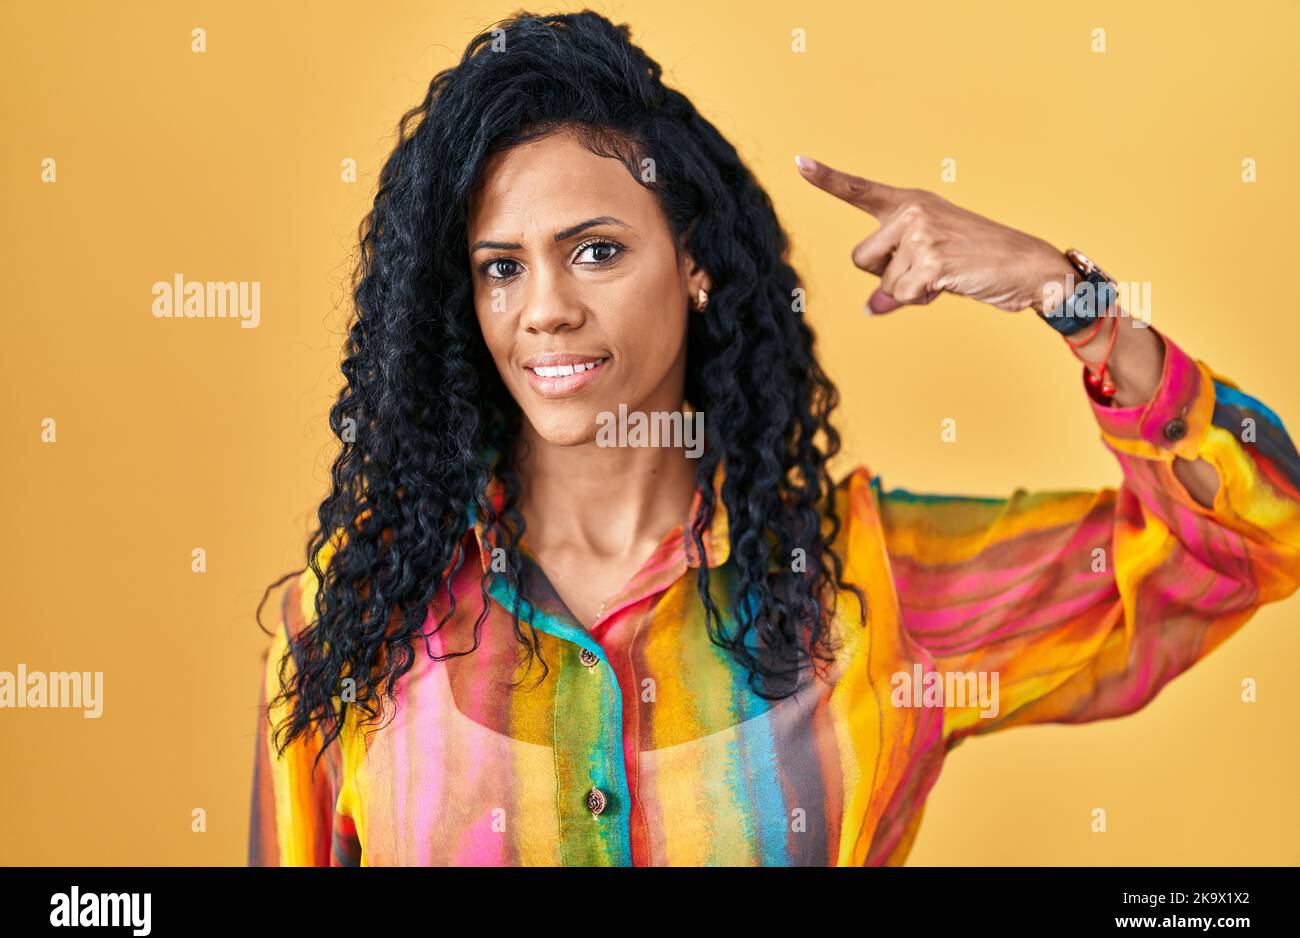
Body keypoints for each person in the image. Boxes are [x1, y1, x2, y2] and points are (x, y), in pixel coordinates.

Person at [247, 10, 1300, 866]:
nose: (546, 308)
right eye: (501, 266)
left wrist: (1072, 298)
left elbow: (1252, 540)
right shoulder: (354, 607)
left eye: (597, 250)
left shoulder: (874, 585)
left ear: (694, 264)